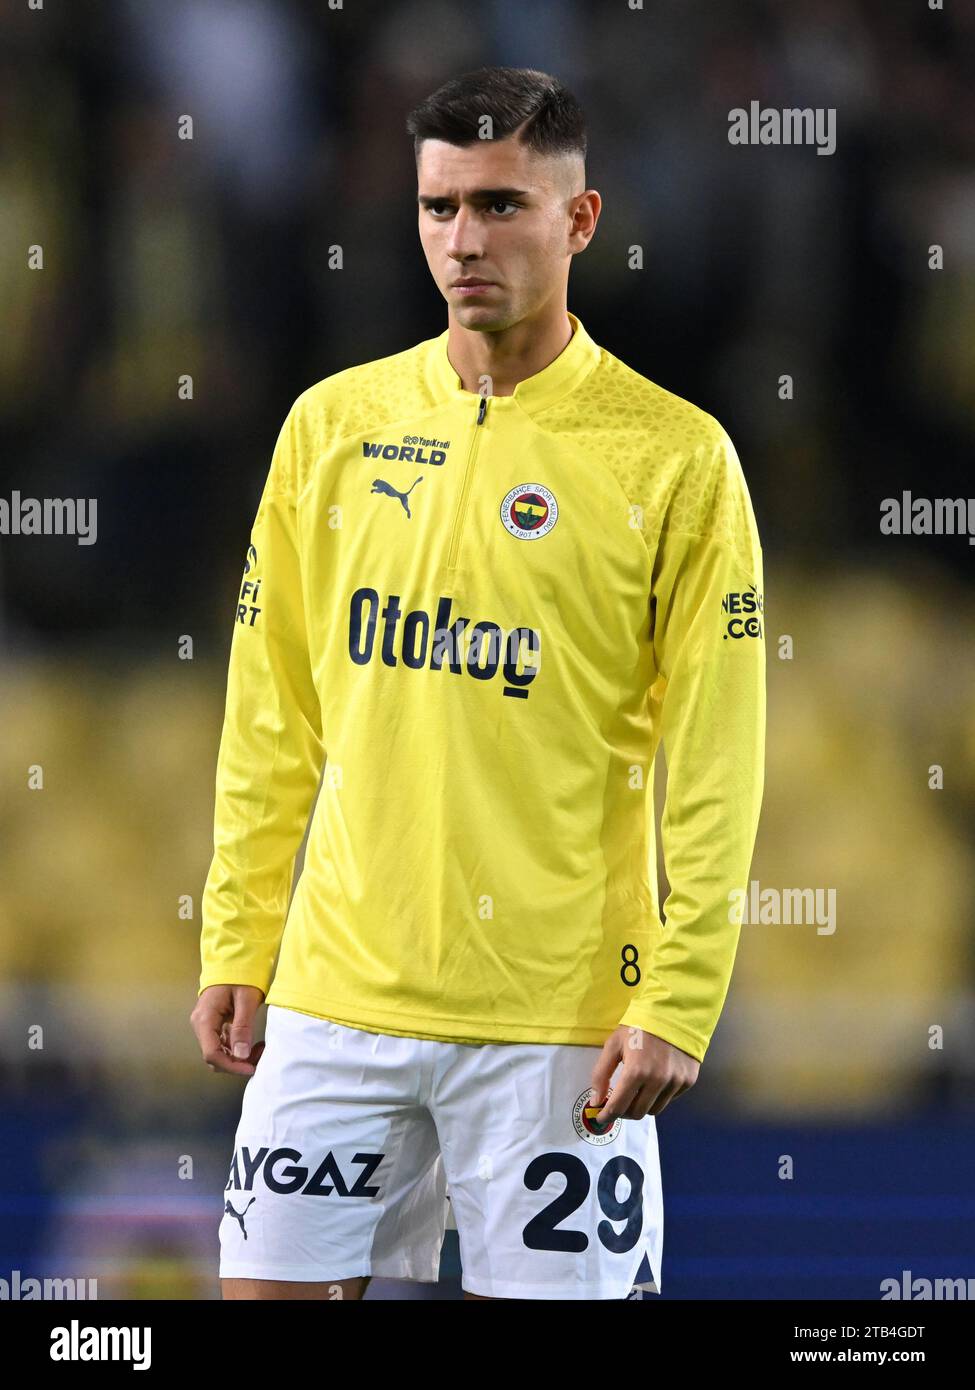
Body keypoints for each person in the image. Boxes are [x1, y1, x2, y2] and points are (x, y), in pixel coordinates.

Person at [191, 65, 766, 1302]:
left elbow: (715, 759)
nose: (463, 242)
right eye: (438, 207)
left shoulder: (676, 459)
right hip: (338, 1000)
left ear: (582, 219)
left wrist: (684, 996)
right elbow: (272, 714)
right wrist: (239, 932)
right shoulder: (329, 427)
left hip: (556, 1025)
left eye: (501, 205)